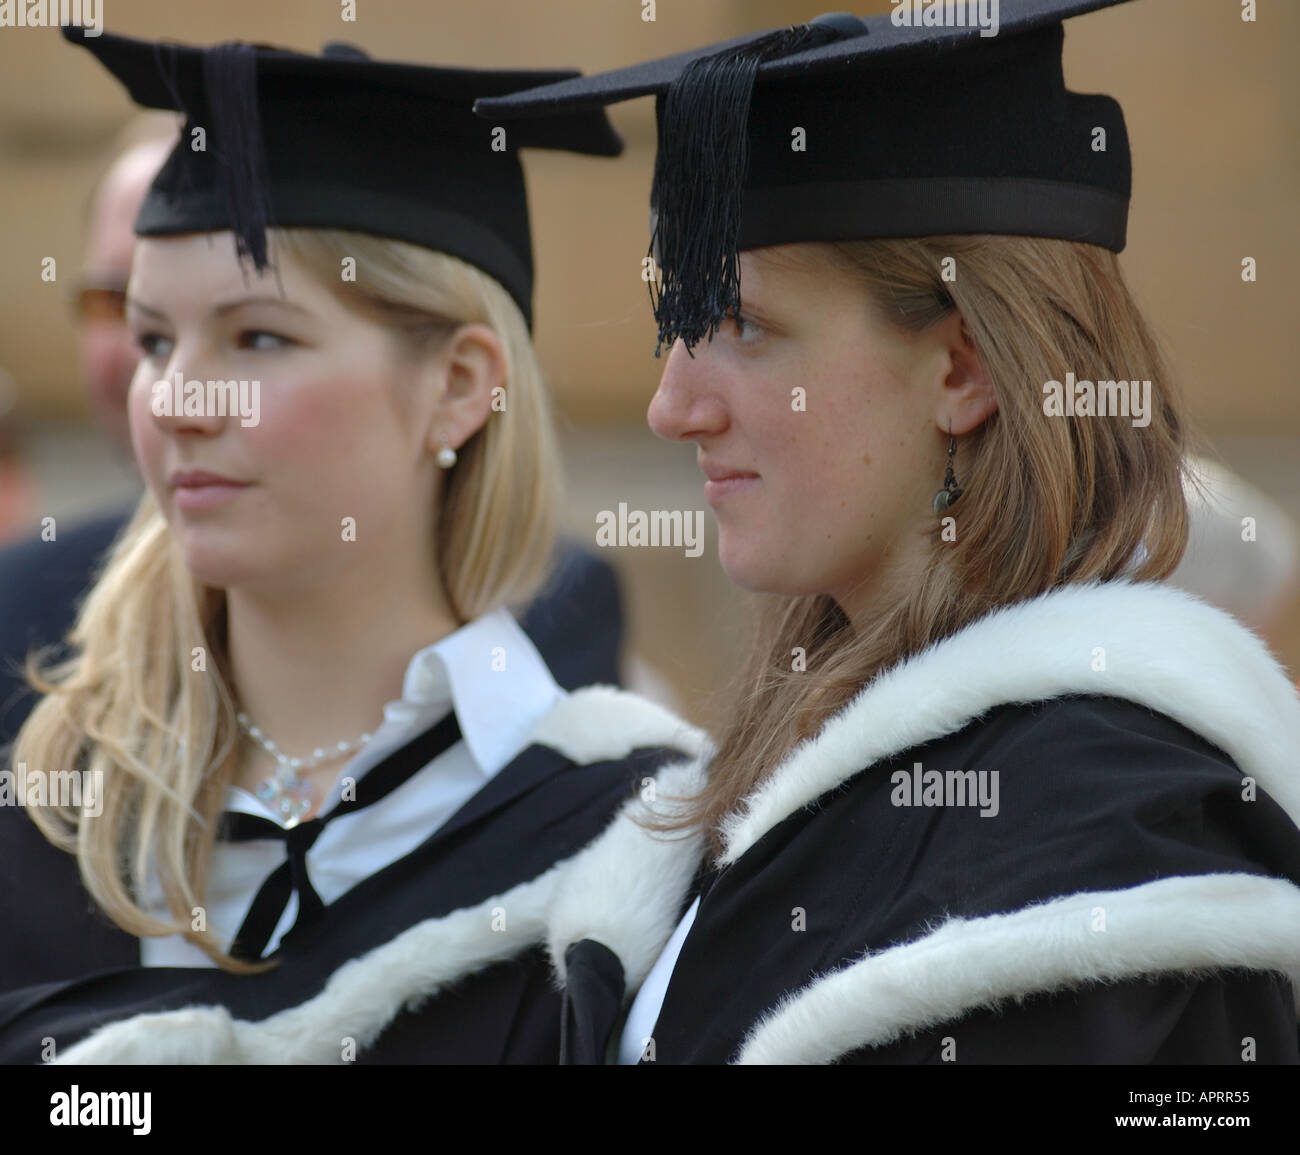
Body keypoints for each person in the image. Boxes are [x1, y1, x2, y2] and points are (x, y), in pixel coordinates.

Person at [470, 1, 1300, 1063]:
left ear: (962, 369)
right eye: (672, 331)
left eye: (743, 330)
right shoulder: (767, 795)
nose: (671, 407)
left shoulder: (1114, 837)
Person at [0, 27, 703, 1064]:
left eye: (259, 337)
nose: (179, 399)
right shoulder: (48, 812)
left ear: (458, 385)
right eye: (154, 339)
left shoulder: (635, 841)